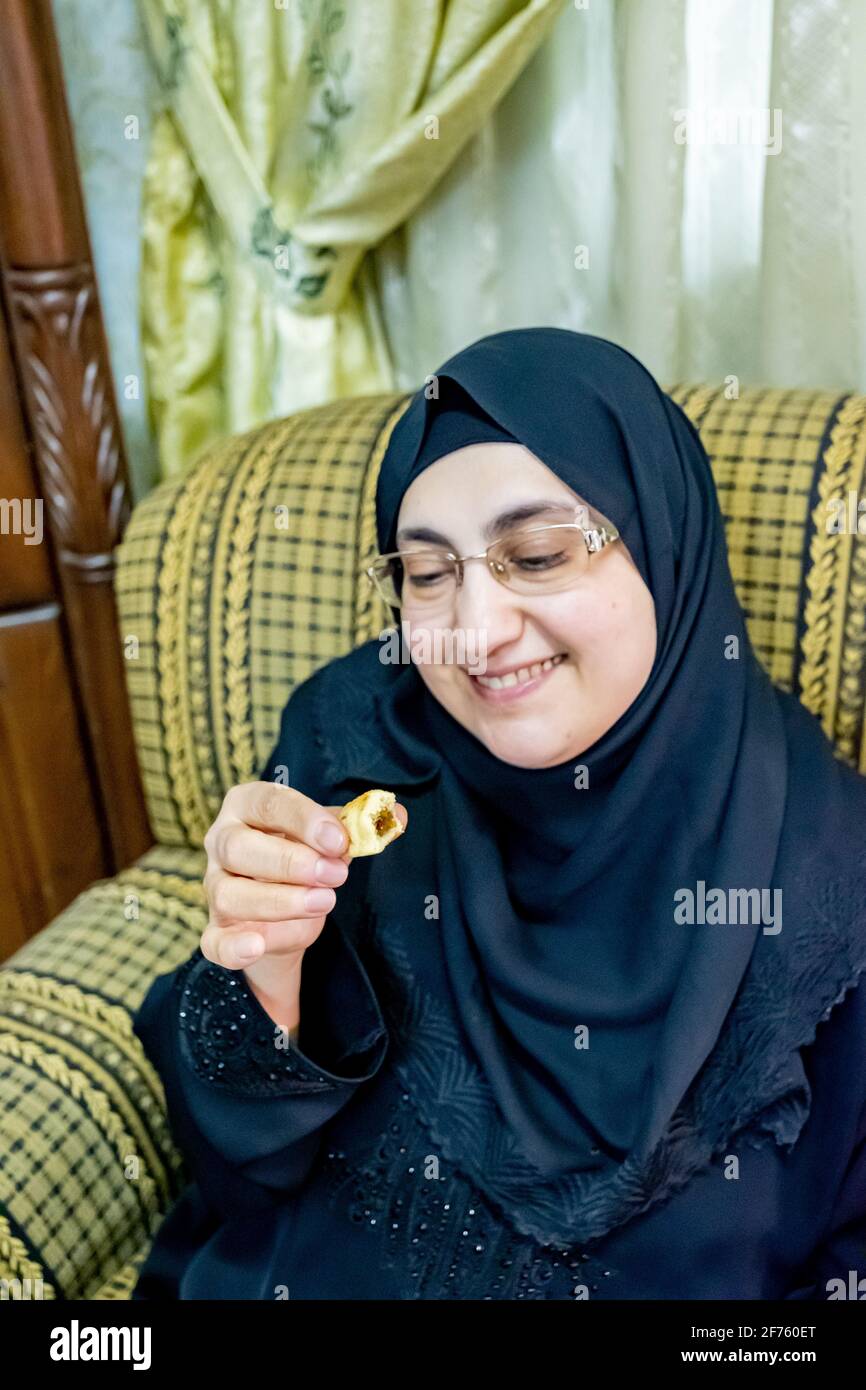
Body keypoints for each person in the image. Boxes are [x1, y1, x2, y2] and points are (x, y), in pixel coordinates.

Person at [131, 327, 866, 1301]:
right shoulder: (353, 749)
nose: (475, 633)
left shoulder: (832, 876)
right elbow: (234, 1170)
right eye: (428, 575)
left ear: (663, 542)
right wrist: (265, 971)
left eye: (536, 553)